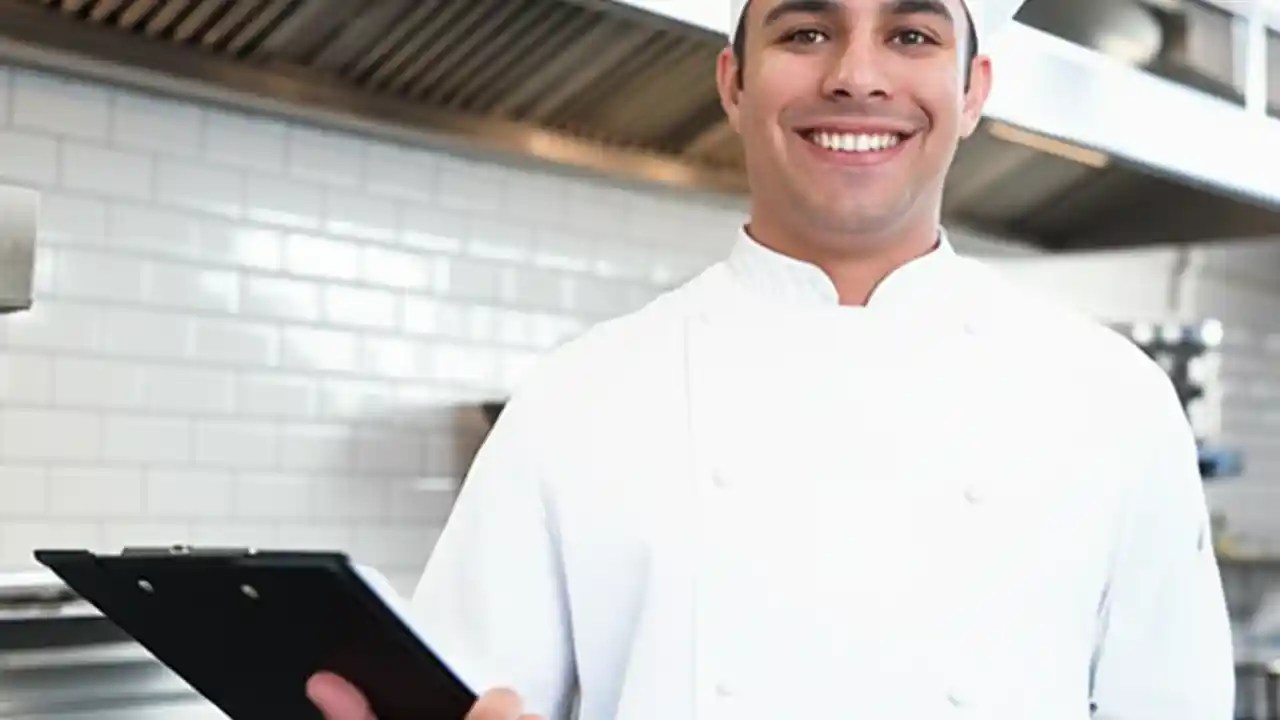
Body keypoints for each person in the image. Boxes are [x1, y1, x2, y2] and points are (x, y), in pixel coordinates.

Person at [310, 0, 1236, 717]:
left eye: (910, 34)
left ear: (975, 90)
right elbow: (474, 699)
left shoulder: (1111, 403)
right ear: (733, 83)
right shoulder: (576, 401)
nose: (857, 77)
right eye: (805, 31)